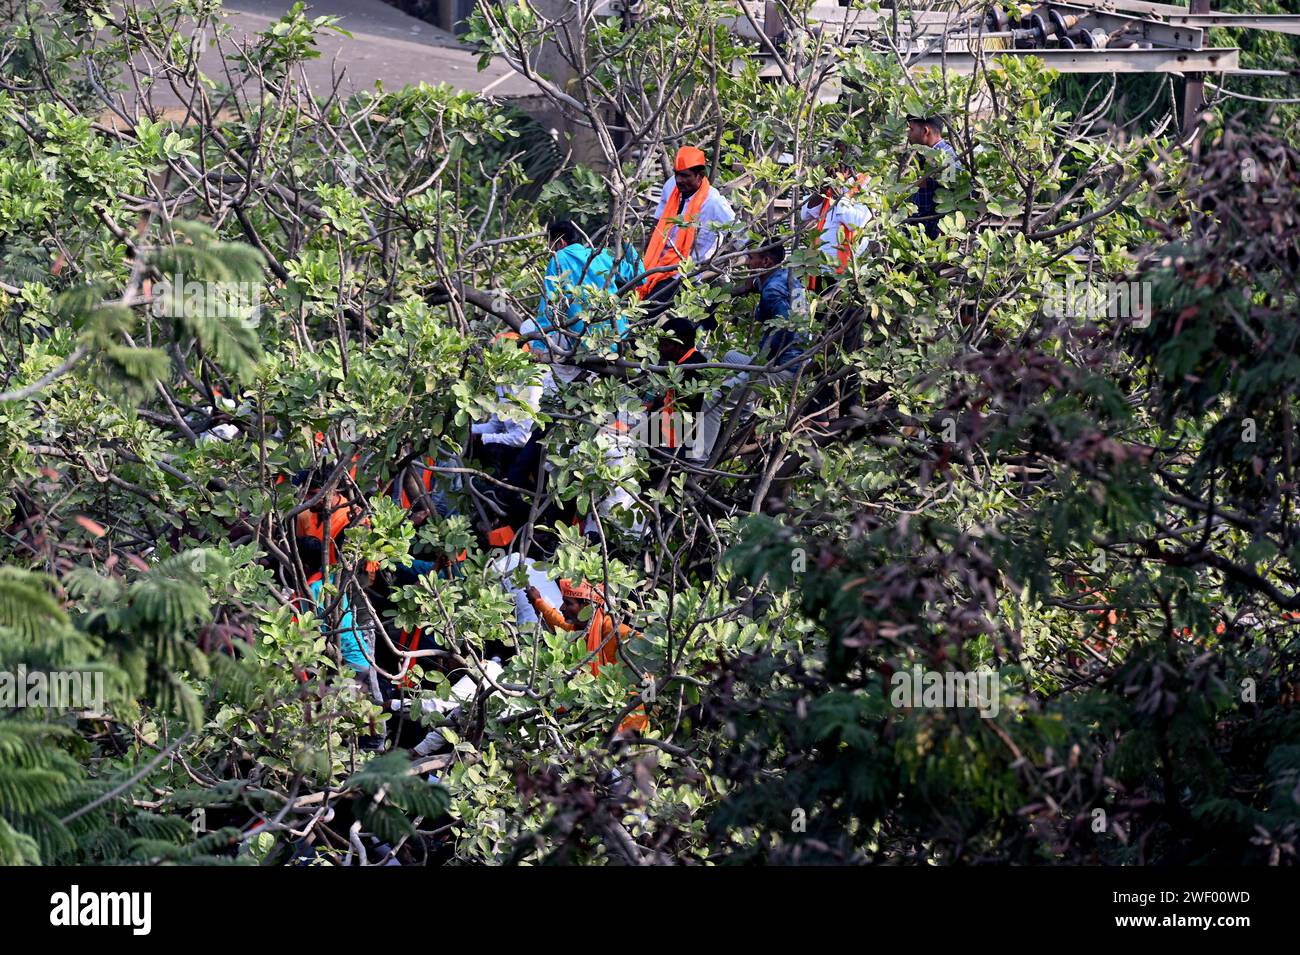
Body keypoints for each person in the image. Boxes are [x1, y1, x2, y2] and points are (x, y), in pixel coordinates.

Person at [534, 220, 640, 385]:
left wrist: (538, 346)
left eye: (550, 244)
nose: (550, 249)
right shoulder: (602, 254)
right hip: (617, 341)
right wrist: (625, 242)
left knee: (529, 327)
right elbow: (640, 275)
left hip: (587, 347)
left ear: (560, 242)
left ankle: (579, 376)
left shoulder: (558, 258)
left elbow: (547, 305)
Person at [639, 145, 736, 300]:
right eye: (677, 174)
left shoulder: (714, 203)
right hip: (656, 263)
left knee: (650, 306)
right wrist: (642, 258)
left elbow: (741, 234)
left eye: (685, 176)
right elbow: (657, 224)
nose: (679, 180)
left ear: (700, 175)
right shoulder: (671, 186)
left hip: (684, 273)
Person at [801, 167, 872, 285]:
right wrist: (824, 186)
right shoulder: (830, 183)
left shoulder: (864, 183)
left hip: (851, 272)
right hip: (822, 270)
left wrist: (840, 194)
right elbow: (806, 214)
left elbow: (854, 223)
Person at [905, 114, 961, 240]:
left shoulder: (947, 159)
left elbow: (949, 206)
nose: (909, 134)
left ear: (925, 131)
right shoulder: (931, 155)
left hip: (931, 236)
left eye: (912, 129)